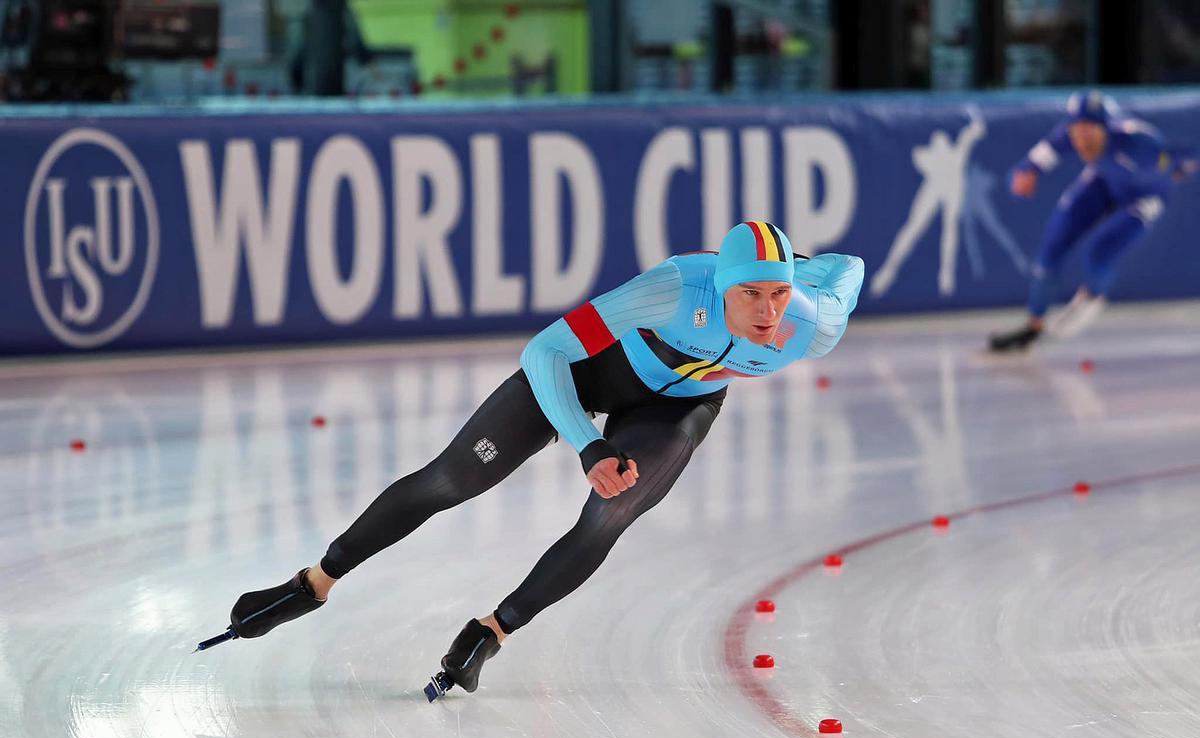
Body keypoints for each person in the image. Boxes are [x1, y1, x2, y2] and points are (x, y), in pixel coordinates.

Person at [205, 221, 865, 698]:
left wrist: (802, 272)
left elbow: (849, 268)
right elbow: (545, 351)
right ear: (719, 286)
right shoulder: (672, 288)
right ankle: (312, 583)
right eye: (751, 293)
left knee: (610, 513)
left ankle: (491, 632)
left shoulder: (811, 323)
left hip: (678, 406)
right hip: (590, 374)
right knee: (450, 477)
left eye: (778, 294)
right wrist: (587, 442)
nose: (767, 312)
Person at [989, 90, 1197, 352]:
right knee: (1051, 248)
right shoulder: (1069, 134)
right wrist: (1023, 176)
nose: (1082, 139)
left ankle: (1092, 297)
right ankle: (1034, 325)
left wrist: (1180, 167)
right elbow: (1027, 167)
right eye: (1078, 130)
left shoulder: (1139, 145)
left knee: (1098, 252)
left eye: (1091, 131)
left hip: (1145, 195)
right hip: (1104, 181)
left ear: (1107, 130)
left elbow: (1181, 159)